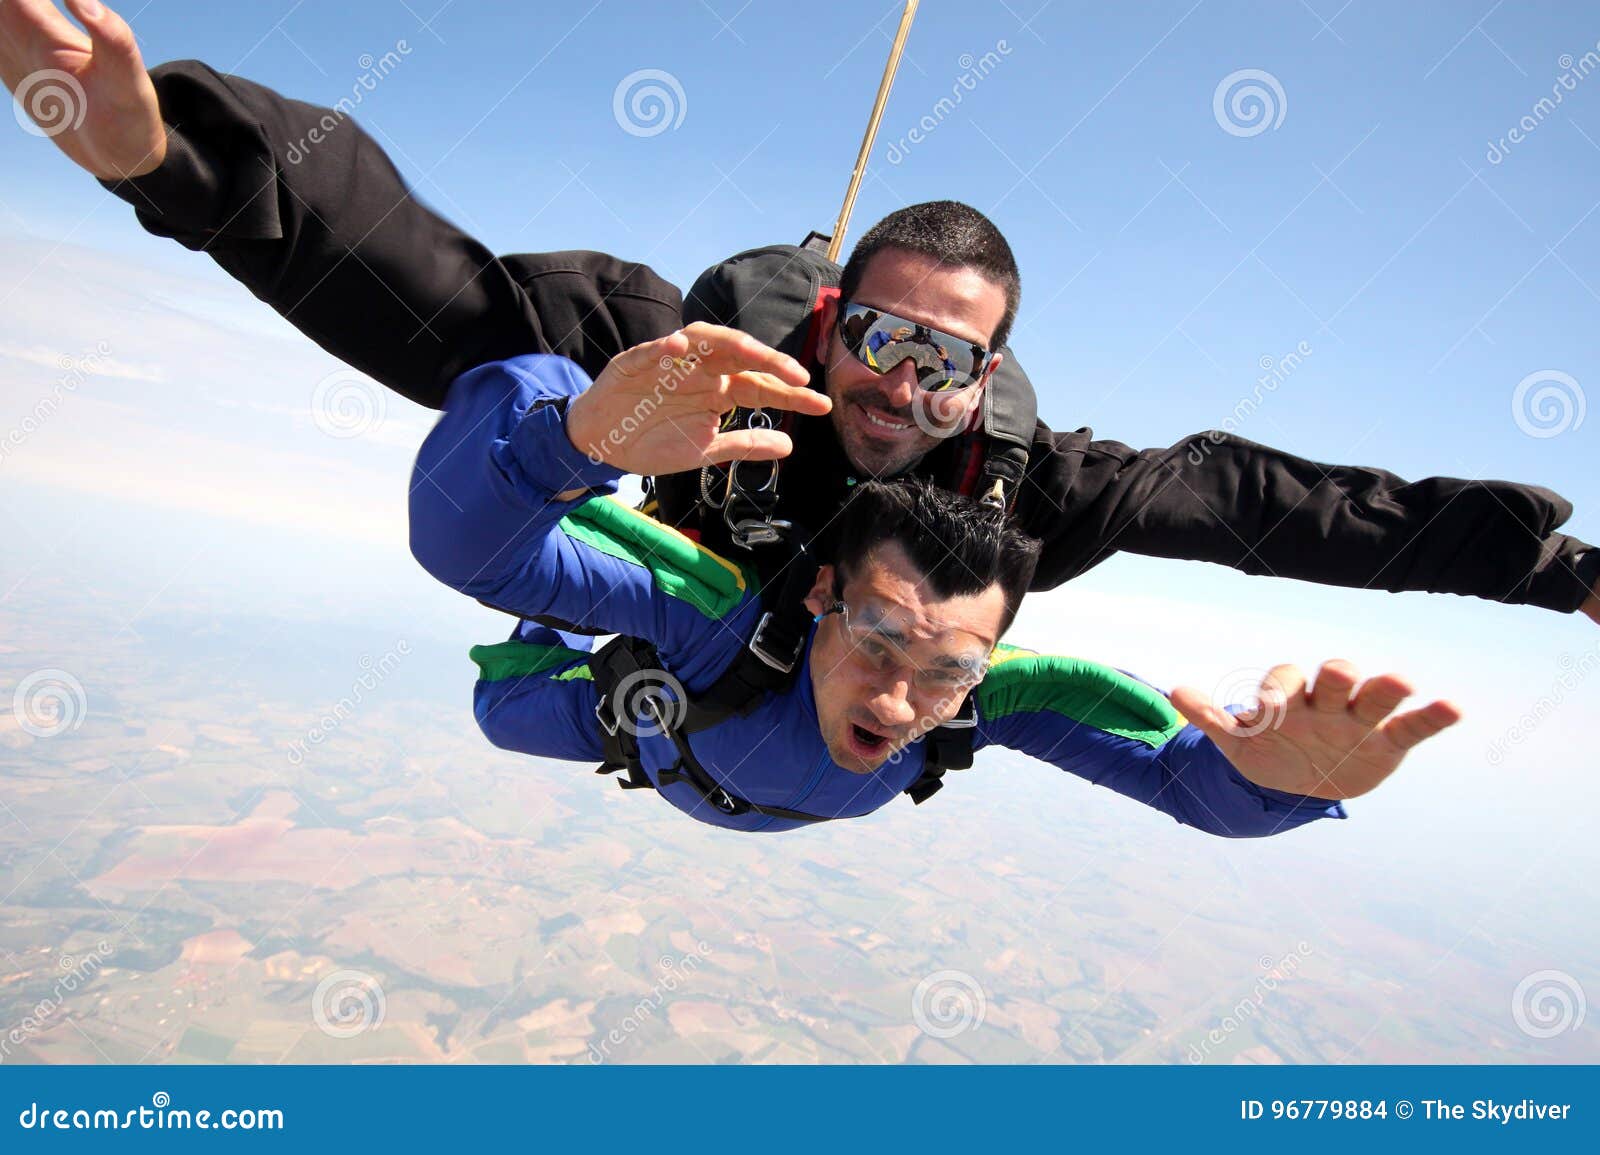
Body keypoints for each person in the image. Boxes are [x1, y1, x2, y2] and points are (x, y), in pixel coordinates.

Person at [5, 0, 1596, 624]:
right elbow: (427, 284)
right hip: (703, 638)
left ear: (987, 378)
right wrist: (166, 156)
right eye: (883, 339)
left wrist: (1559, 575)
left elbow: (1280, 509)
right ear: (830, 317)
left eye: (949, 363)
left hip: (855, 691)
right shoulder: (689, 354)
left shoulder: (1022, 489)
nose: (903, 388)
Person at [409, 322, 1462, 834]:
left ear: (990, 658)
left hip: (685, 752)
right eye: (877, 635)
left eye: (951, 668)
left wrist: (1283, 784)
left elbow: (1185, 785)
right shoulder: (708, 618)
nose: (900, 698)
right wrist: (575, 432)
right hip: (639, 720)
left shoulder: (995, 699)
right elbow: (466, 547)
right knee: (500, 706)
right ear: (820, 597)